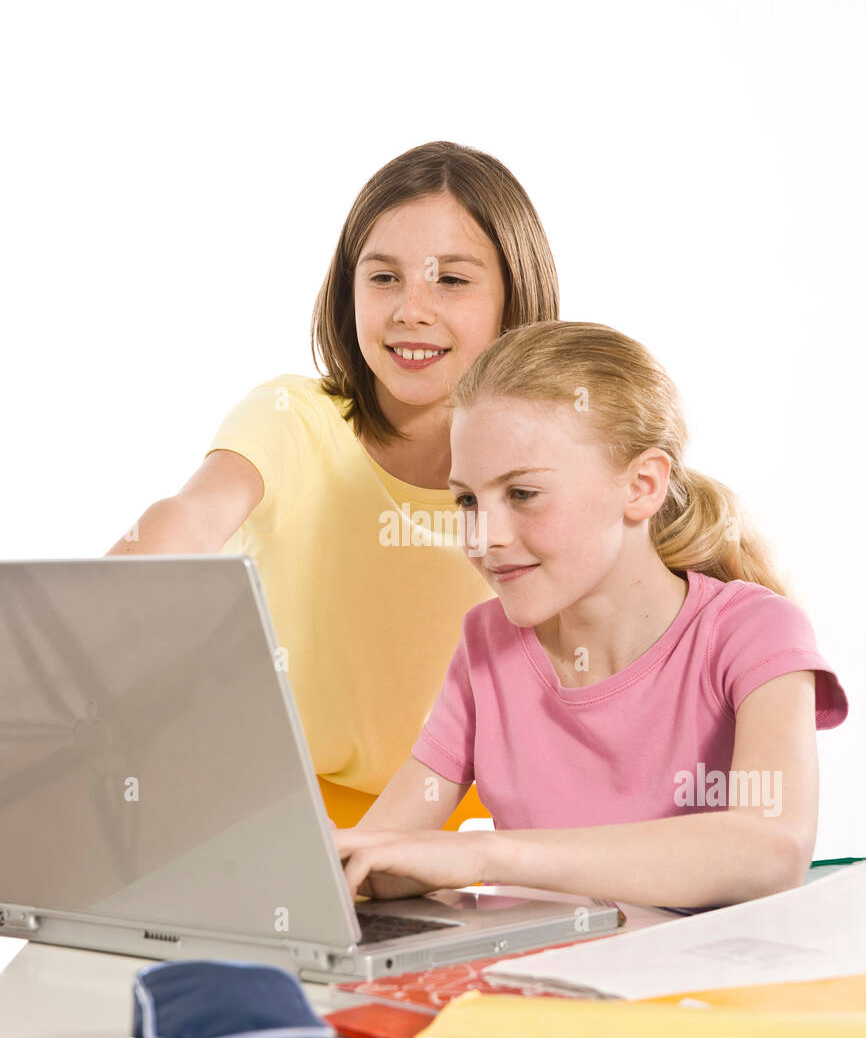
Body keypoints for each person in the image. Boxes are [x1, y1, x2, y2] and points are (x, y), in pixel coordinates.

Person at [106, 141, 559, 828]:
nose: (411, 309)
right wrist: (106, 616)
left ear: (512, 300)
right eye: (383, 278)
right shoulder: (297, 418)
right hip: (281, 812)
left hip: (468, 829)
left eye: (452, 281)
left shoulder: (551, 463)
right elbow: (194, 514)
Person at [334, 322, 848, 909]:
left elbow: (770, 848)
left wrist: (483, 855)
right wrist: (336, 861)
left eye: (522, 494)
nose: (483, 536)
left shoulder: (753, 632)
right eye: (468, 500)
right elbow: (376, 848)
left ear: (642, 486)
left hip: (693, 994)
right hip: (530, 989)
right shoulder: (486, 645)